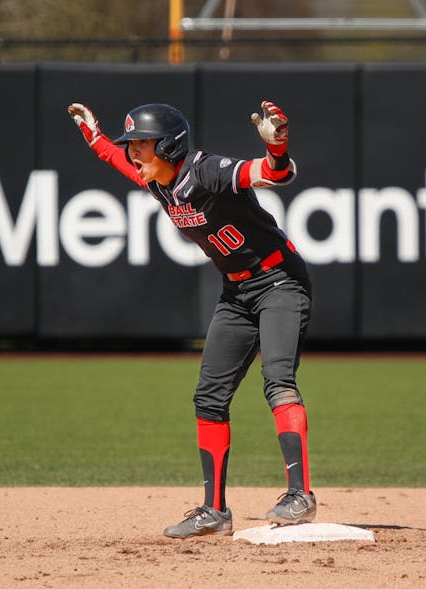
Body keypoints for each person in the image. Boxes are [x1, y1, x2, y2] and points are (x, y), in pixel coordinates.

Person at [67, 99, 316, 538]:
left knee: (278, 381)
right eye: (133, 145)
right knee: (209, 398)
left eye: (141, 144)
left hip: (279, 280)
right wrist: (95, 136)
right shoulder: (160, 184)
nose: (134, 153)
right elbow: (116, 161)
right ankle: (214, 510)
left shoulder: (208, 170)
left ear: (169, 144)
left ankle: (300, 495)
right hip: (236, 291)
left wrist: (278, 147)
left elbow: (276, 175)